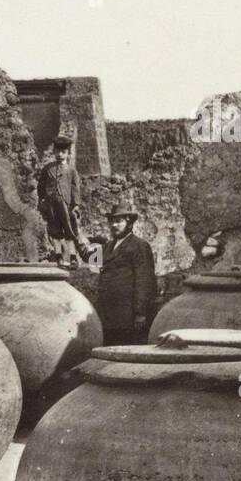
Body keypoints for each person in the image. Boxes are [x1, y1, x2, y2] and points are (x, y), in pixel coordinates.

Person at [96, 205, 157, 345]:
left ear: (129, 223)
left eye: (119, 221)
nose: (114, 225)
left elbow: (144, 280)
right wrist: (77, 238)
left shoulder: (139, 246)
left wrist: (140, 313)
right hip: (107, 313)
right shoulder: (108, 246)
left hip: (127, 315)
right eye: (112, 221)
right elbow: (92, 261)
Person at [37, 135, 85, 266]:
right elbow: (41, 185)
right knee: (54, 229)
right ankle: (58, 255)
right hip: (51, 204)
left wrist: (75, 205)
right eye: (57, 152)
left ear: (68, 154)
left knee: (69, 229)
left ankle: (73, 255)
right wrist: (41, 200)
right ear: (54, 152)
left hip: (66, 204)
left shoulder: (71, 170)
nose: (60, 154)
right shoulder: (48, 169)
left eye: (63, 152)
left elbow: (75, 189)